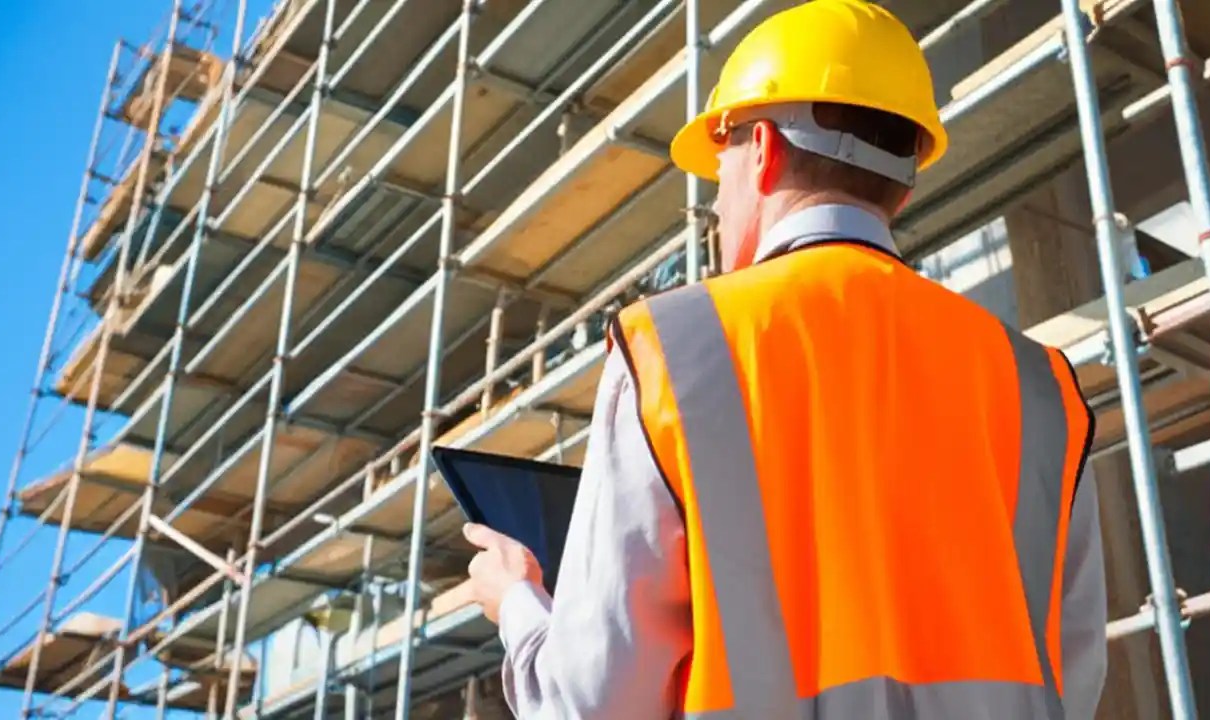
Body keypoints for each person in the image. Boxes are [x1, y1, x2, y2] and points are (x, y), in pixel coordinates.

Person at [463, 1, 1107, 718]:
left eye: (720, 168)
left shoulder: (676, 346)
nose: (716, 204)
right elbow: (1070, 677)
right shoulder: (1039, 386)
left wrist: (518, 605)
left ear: (762, 149)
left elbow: (591, 705)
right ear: (906, 176)